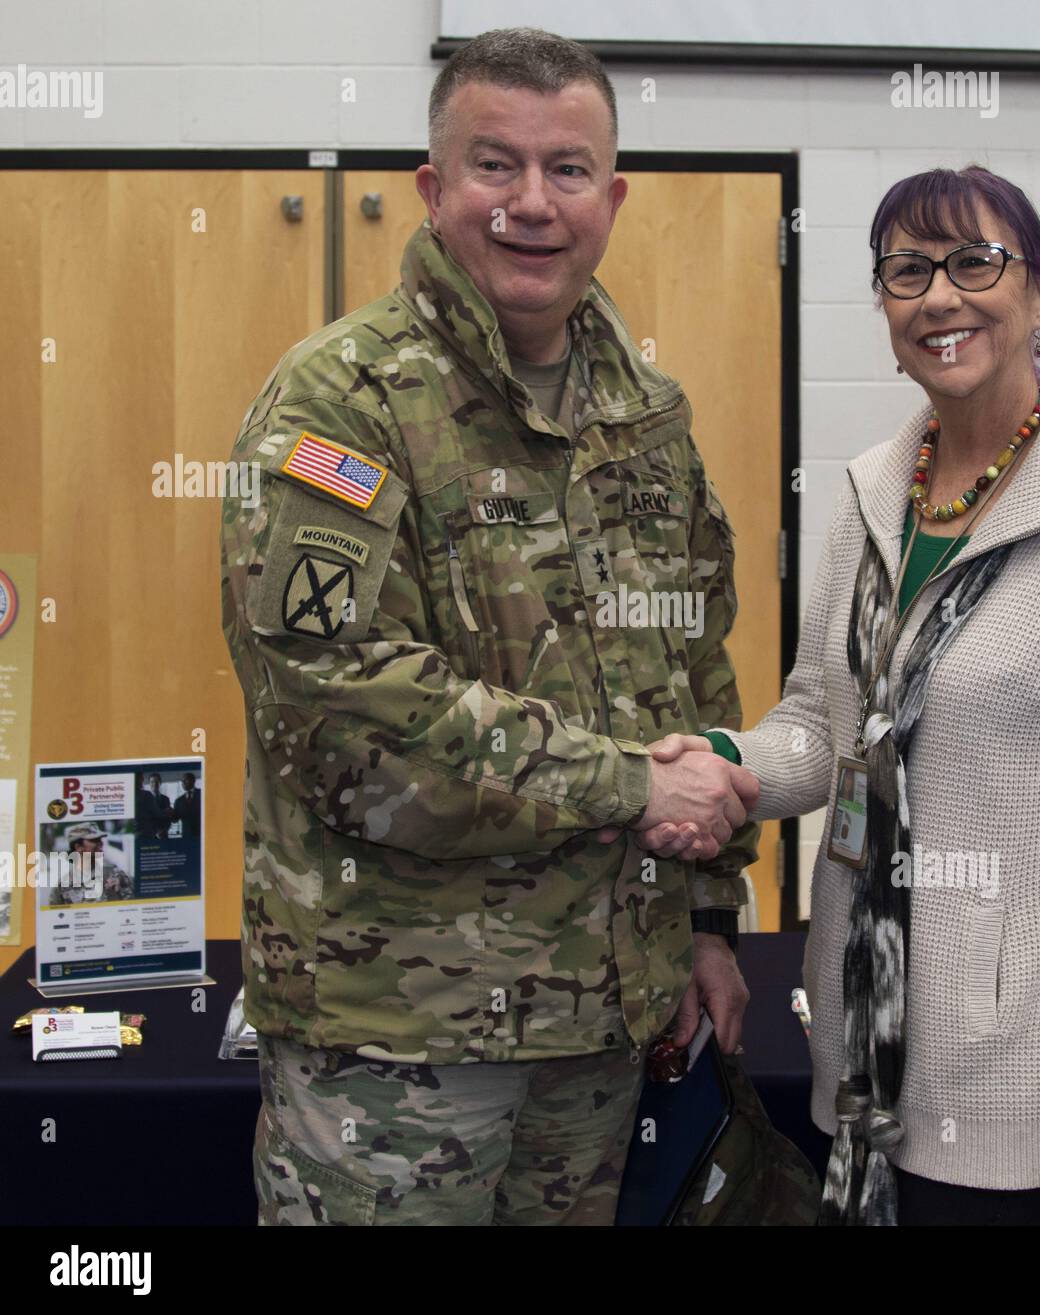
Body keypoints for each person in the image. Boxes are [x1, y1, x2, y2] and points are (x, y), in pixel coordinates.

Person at [220, 26, 759, 1227]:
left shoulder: (646, 413)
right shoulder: (340, 403)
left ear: (611, 198)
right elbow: (342, 709)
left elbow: (692, 671)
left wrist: (709, 919)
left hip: (602, 1028)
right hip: (401, 1043)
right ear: (431, 187)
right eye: (493, 165)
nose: (531, 203)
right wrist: (629, 785)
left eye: (567, 169)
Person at [641, 165, 1040, 1226]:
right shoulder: (873, 498)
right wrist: (728, 761)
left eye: (975, 262)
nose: (939, 296)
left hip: (1026, 1105)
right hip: (864, 1067)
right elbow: (823, 727)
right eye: (906, 271)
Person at [136, 773, 173, 840]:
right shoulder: (145, 797)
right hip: (150, 834)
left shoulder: (166, 799)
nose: (155, 784)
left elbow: (168, 817)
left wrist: (164, 830)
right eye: (152, 782)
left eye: (157, 781)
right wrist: (156, 832)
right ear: (149, 783)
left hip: (163, 835)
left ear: (160, 783)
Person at [173, 773, 202, 840]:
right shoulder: (178, 801)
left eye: (185, 780)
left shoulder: (203, 794)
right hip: (186, 837)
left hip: (202, 836)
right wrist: (170, 812)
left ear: (193, 780)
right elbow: (175, 819)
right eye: (182, 781)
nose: (182, 782)